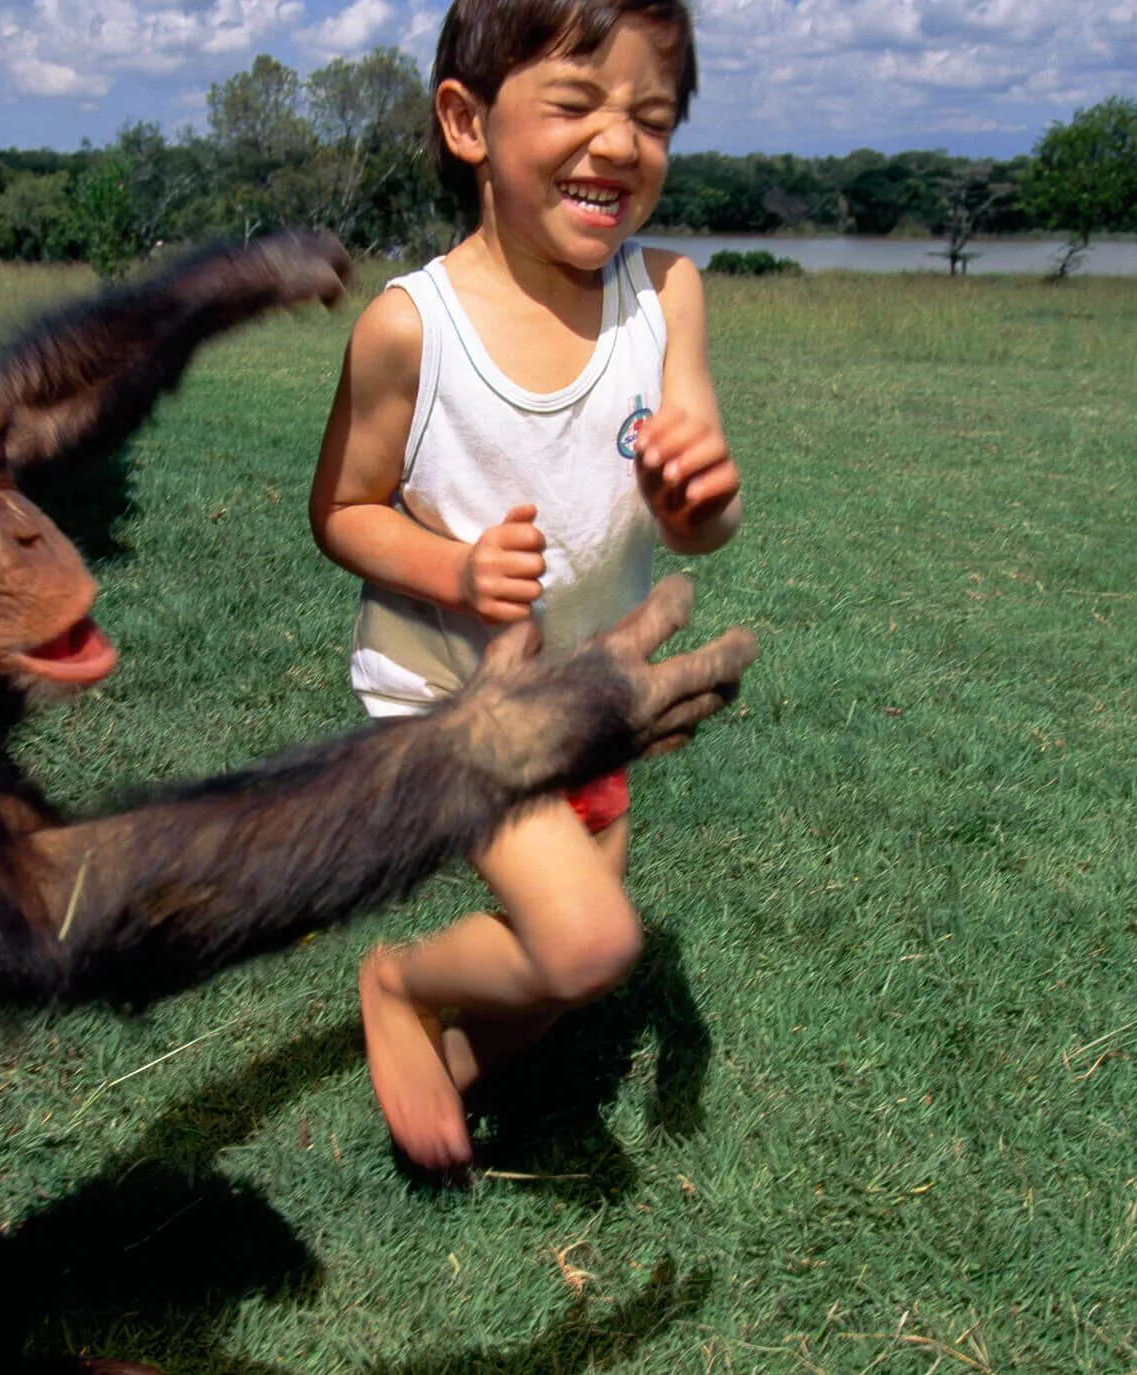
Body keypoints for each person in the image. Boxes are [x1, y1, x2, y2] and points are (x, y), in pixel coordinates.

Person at [308, 0, 741, 1170]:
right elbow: (339, 512)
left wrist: (701, 504)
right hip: (455, 697)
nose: (617, 142)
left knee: (560, 970)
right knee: (590, 936)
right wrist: (452, 566)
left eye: (649, 117)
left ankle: (446, 1060)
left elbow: (698, 516)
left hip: (589, 699)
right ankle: (397, 986)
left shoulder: (667, 296)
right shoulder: (411, 330)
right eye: (573, 103)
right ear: (466, 122)